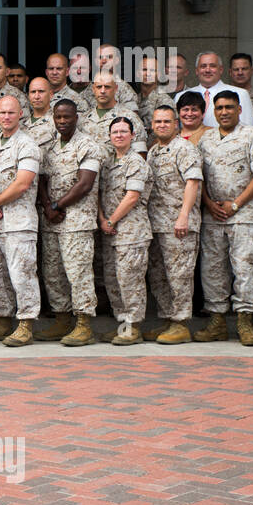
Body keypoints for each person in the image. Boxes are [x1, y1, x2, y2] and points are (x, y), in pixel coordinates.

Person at [195, 91, 253, 345]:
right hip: (213, 217)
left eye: (229, 107)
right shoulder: (206, 139)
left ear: (239, 110)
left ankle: (244, 322)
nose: (224, 112)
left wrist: (236, 204)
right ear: (213, 111)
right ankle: (217, 323)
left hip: (245, 216)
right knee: (212, 270)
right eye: (219, 108)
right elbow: (199, 177)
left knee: (246, 269)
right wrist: (207, 202)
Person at [0, 96, 42, 347]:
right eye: (2, 112)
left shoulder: (27, 145)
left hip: (18, 222)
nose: (6, 117)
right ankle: (3, 318)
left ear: (20, 115)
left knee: (22, 273)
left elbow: (23, 183)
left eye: (11, 113)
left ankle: (26, 323)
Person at [37, 99, 101, 346]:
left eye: (67, 117)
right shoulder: (50, 146)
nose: (62, 121)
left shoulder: (88, 145)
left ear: (77, 117)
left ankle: (84, 324)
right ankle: (62, 319)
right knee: (53, 272)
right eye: (58, 117)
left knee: (78, 272)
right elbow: (42, 180)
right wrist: (47, 205)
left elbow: (85, 184)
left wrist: (57, 205)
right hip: (52, 219)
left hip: (76, 220)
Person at [144, 106, 204, 344]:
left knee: (179, 275)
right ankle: (168, 320)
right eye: (157, 121)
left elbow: (193, 183)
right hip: (157, 224)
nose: (161, 125)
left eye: (167, 121)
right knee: (160, 276)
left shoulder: (185, 149)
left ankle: (180, 323)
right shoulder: (154, 152)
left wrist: (184, 215)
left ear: (176, 123)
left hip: (178, 225)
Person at [97, 118, 153, 345]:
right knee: (113, 281)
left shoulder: (136, 163)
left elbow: (132, 197)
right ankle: (122, 326)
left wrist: (110, 220)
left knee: (130, 281)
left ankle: (134, 327)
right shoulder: (108, 164)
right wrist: (103, 220)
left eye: (123, 131)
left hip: (132, 232)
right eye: (115, 132)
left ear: (132, 135)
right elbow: (99, 195)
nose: (119, 135)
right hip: (110, 232)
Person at [182, 52, 253, 128]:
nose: (207, 70)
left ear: (221, 69)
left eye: (212, 66)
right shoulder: (181, 96)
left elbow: (249, 129)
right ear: (197, 71)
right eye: (203, 66)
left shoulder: (240, 94)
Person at [80, 72, 146, 156]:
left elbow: (140, 155)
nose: (102, 91)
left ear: (115, 88)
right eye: (99, 87)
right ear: (93, 89)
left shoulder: (130, 117)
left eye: (107, 87)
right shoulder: (82, 119)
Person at [229, 53, 253, 129]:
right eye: (236, 69)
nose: (240, 73)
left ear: (252, 71)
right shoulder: (222, 98)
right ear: (230, 72)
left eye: (244, 69)